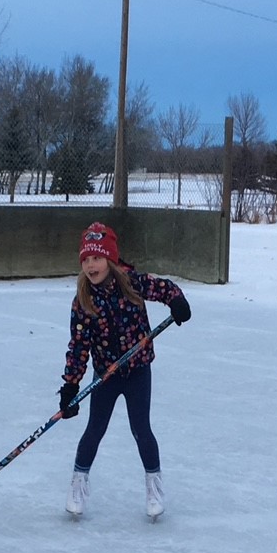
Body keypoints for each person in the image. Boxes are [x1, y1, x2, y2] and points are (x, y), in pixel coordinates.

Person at [60, 221, 191, 520]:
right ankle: (78, 484)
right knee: (94, 430)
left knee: (141, 429)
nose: (91, 265)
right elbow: (79, 346)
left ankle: (154, 487)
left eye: (97, 258)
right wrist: (71, 386)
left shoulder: (132, 283)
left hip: (137, 372)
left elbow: (165, 288)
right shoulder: (83, 300)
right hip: (105, 375)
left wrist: (177, 302)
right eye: (86, 259)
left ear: (110, 259)